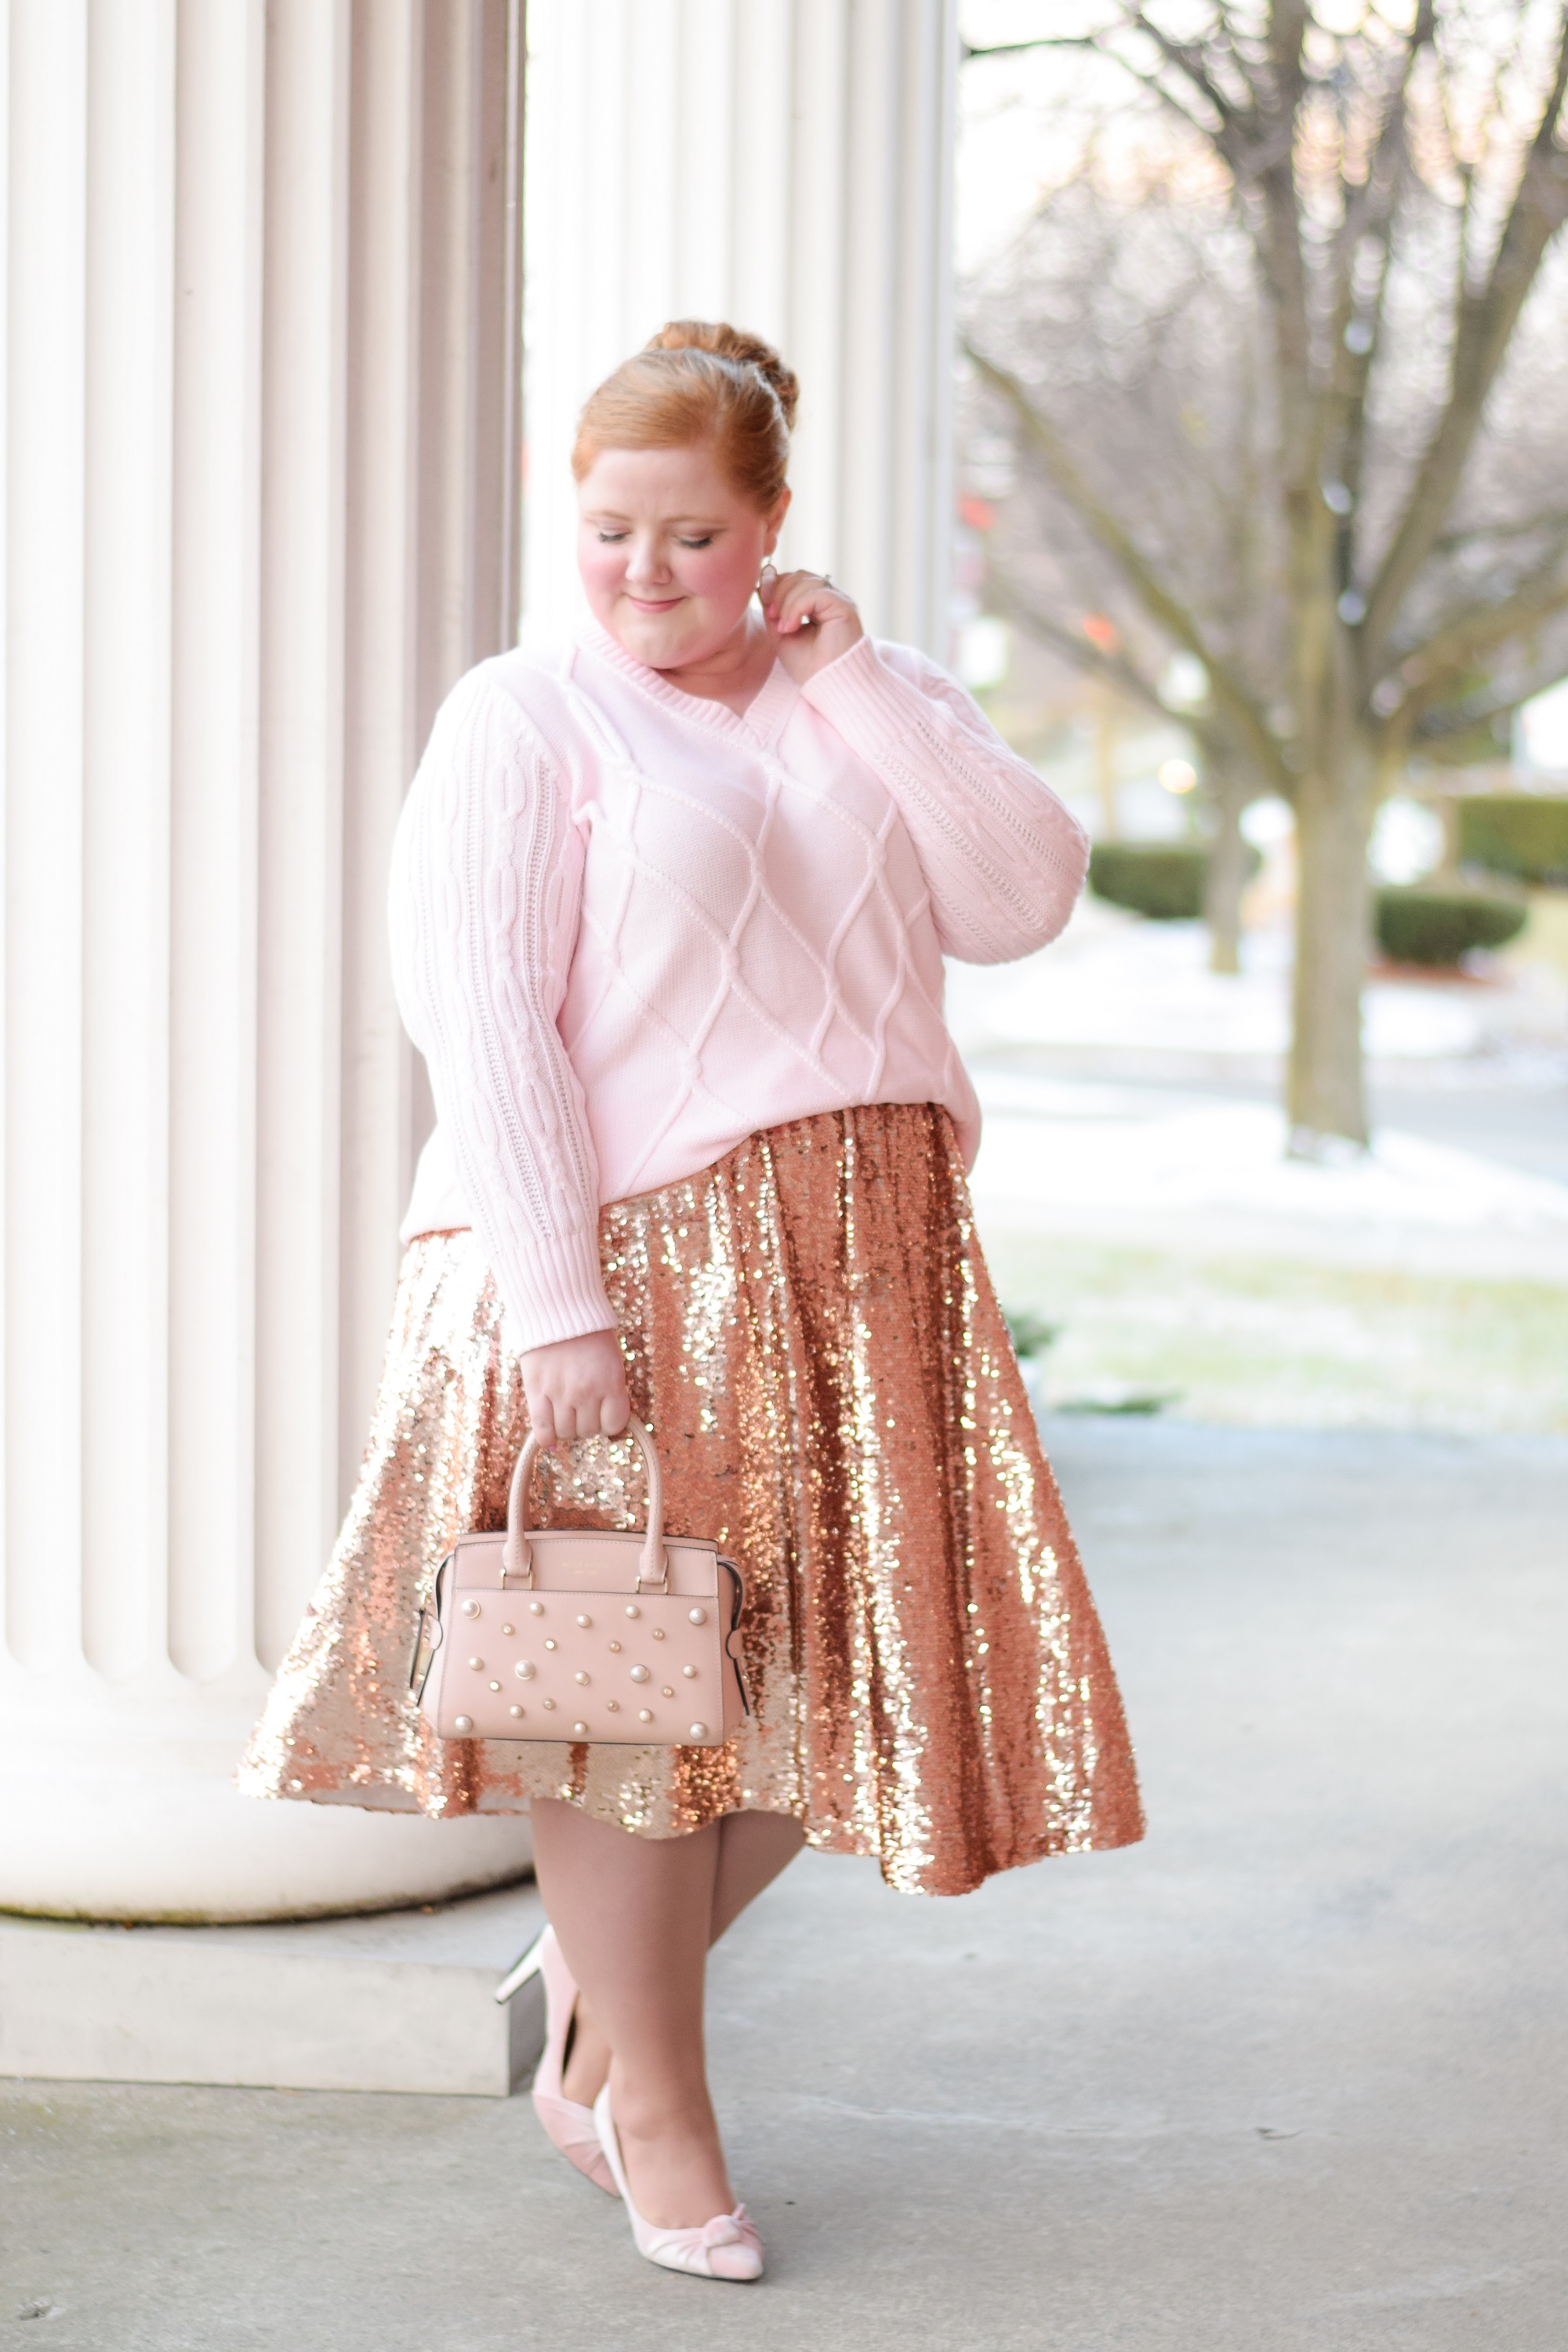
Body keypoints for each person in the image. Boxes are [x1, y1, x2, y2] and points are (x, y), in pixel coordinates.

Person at [241, 320, 1142, 2283]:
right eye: (606, 532)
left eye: (689, 536)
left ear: (772, 529)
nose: (644, 575)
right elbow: (478, 1018)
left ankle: (595, 2008)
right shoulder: (524, 716)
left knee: (837, 1686)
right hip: (623, 1252)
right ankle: (654, 2099)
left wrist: (851, 688)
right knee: (620, 1685)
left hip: (866, 1247)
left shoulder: (870, 687)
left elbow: (1016, 899)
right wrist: (556, 1298)